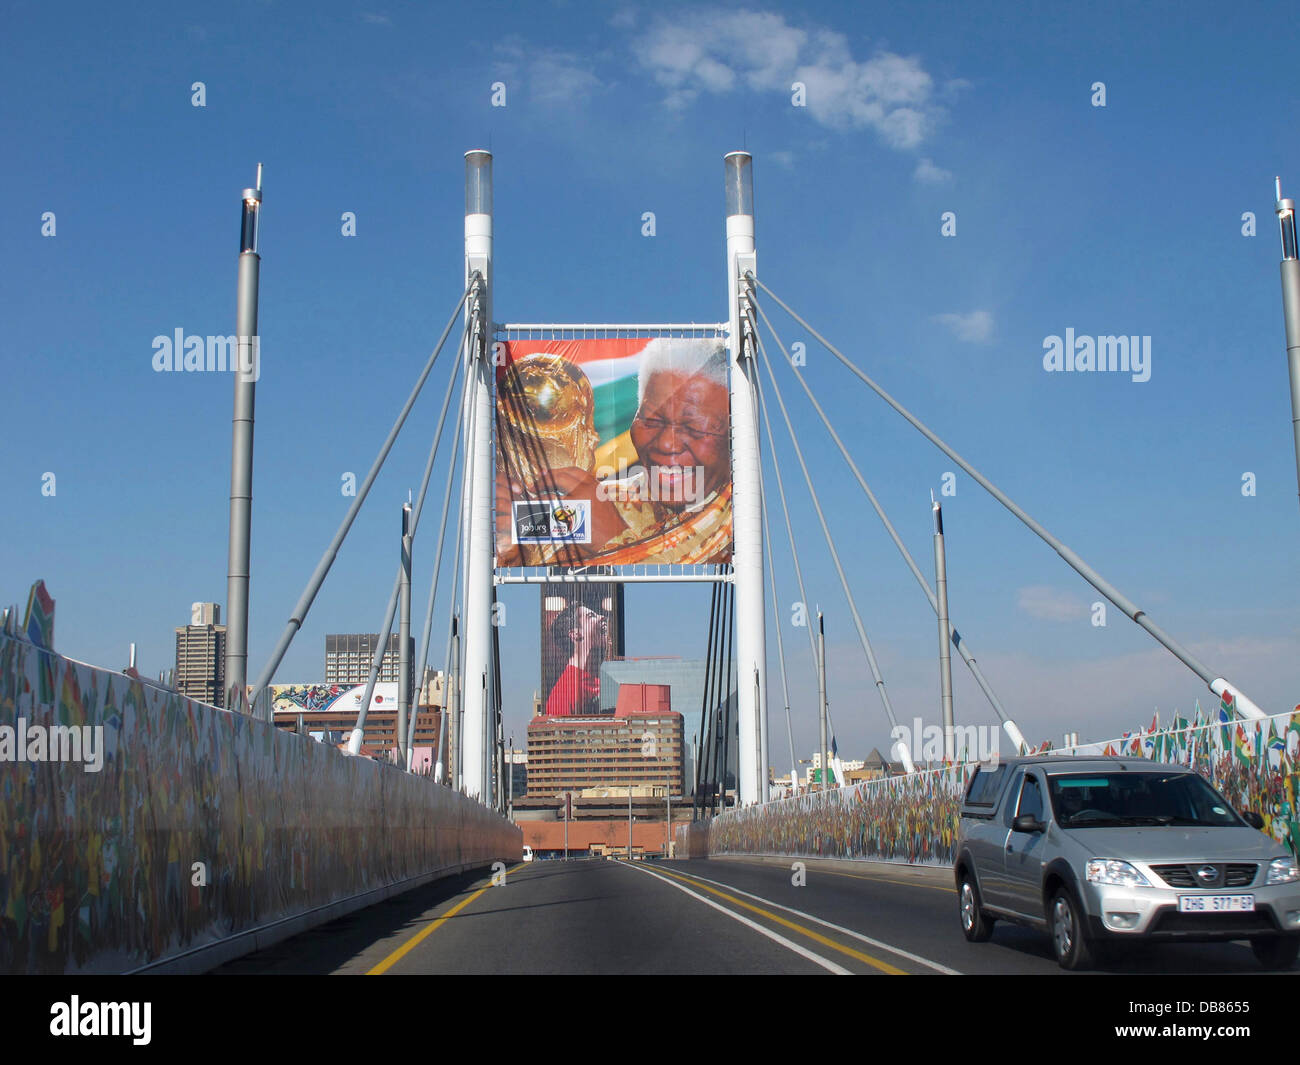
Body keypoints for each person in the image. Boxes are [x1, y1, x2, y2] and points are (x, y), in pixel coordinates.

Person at [498, 338, 733, 565]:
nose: (666, 444)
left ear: (733, 435)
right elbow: (538, 544)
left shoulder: (739, 521)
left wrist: (613, 539)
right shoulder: (606, 500)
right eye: (651, 419)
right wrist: (515, 550)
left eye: (693, 427)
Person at [542, 604, 609, 717]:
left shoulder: (601, 683)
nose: (602, 616)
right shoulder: (563, 696)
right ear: (576, 635)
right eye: (591, 616)